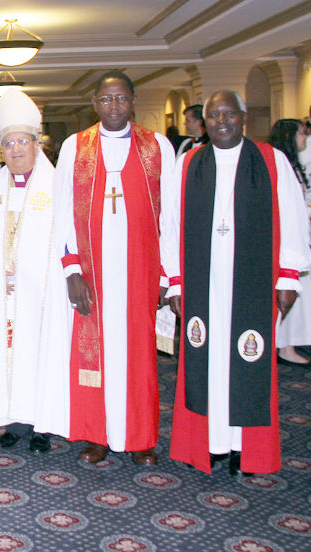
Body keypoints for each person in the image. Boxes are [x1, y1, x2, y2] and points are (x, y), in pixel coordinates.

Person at [164, 92, 311, 475]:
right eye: (213, 115)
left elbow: (293, 218)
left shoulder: (270, 160)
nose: (221, 121)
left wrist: (289, 275)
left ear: (244, 118)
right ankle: (212, 444)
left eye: (229, 114)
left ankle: (244, 447)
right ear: (204, 122)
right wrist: (176, 282)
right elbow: (172, 226)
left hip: (254, 283)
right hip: (203, 283)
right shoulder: (189, 163)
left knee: (249, 360)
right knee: (207, 362)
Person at [53, 70, 175, 465]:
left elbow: (170, 217)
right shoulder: (75, 147)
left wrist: (165, 276)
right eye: (106, 100)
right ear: (95, 104)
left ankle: (141, 438)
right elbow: (62, 214)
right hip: (93, 272)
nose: (114, 106)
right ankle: (97, 435)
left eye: (121, 98)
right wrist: (71, 271)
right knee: (94, 357)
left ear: (133, 100)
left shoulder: (157, 147)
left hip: (140, 272)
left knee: (140, 357)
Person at [0, 89, 71, 453]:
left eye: (23, 141)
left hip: (41, 295)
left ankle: (41, 425)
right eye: (9, 143)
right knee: (3, 355)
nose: (16, 149)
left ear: (37, 144)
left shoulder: (56, 187)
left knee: (37, 355)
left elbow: (68, 240)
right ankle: (13, 422)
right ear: (0, 149)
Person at [271, 119, 311, 368]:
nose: (305, 137)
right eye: (302, 133)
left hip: (301, 232)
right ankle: (285, 346)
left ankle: (291, 342)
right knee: (291, 290)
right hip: (287, 240)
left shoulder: (296, 165)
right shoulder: (280, 164)